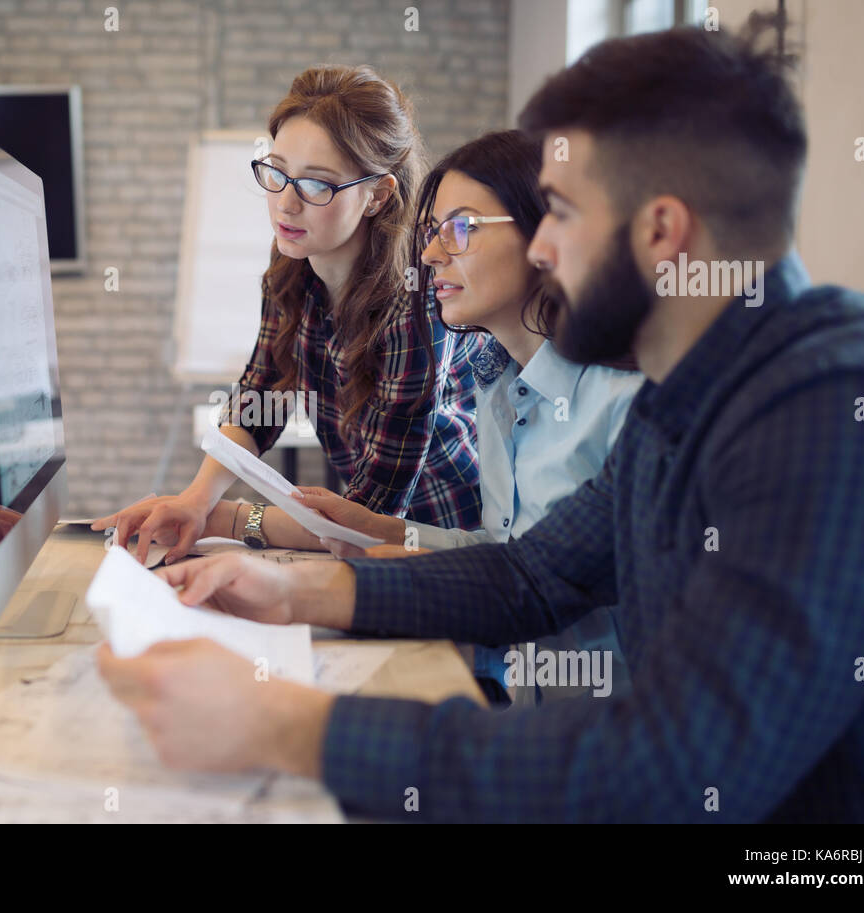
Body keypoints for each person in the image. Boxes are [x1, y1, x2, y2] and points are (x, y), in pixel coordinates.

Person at [96, 21, 864, 822]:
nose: (542, 249)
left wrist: (283, 724)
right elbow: (529, 578)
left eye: (559, 212)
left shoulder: (834, 402)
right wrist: (286, 586)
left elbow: (674, 762)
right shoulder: (685, 394)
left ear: (662, 230)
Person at [196, 130, 644, 707]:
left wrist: (302, 584)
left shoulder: (626, 405)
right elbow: (500, 549)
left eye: (460, 228)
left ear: (547, 235)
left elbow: (531, 584)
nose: (429, 253)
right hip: (543, 716)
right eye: (432, 231)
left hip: (626, 742)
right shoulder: (500, 385)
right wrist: (384, 532)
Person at [93, 65, 483, 563]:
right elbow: (261, 397)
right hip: (365, 543)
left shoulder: (415, 301)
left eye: (317, 185)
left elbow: (364, 518)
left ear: (377, 195)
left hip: (442, 543)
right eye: (276, 172)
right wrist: (195, 499)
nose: (285, 204)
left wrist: (227, 517)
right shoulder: (293, 266)